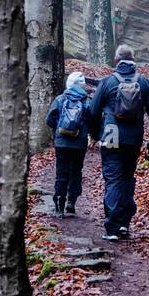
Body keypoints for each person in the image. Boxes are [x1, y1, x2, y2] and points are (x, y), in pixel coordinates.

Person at [88, 44, 149, 241]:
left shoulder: (107, 82)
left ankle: (112, 226)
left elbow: (93, 112)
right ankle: (123, 224)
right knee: (127, 177)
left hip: (111, 135)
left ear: (116, 60)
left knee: (113, 178)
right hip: (134, 137)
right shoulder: (144, 82)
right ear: (133, 60)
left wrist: (95, 134)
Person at [46, 71, 90, 216]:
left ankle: (59, 205)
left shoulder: (60, 99)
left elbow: (49, 120)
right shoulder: (87, 101)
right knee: (76, 171)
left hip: (62, 143)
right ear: (82, 85)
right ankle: (71, 202)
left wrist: (57, 132)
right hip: (79, 143)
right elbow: (92, 120)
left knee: (61, 172)